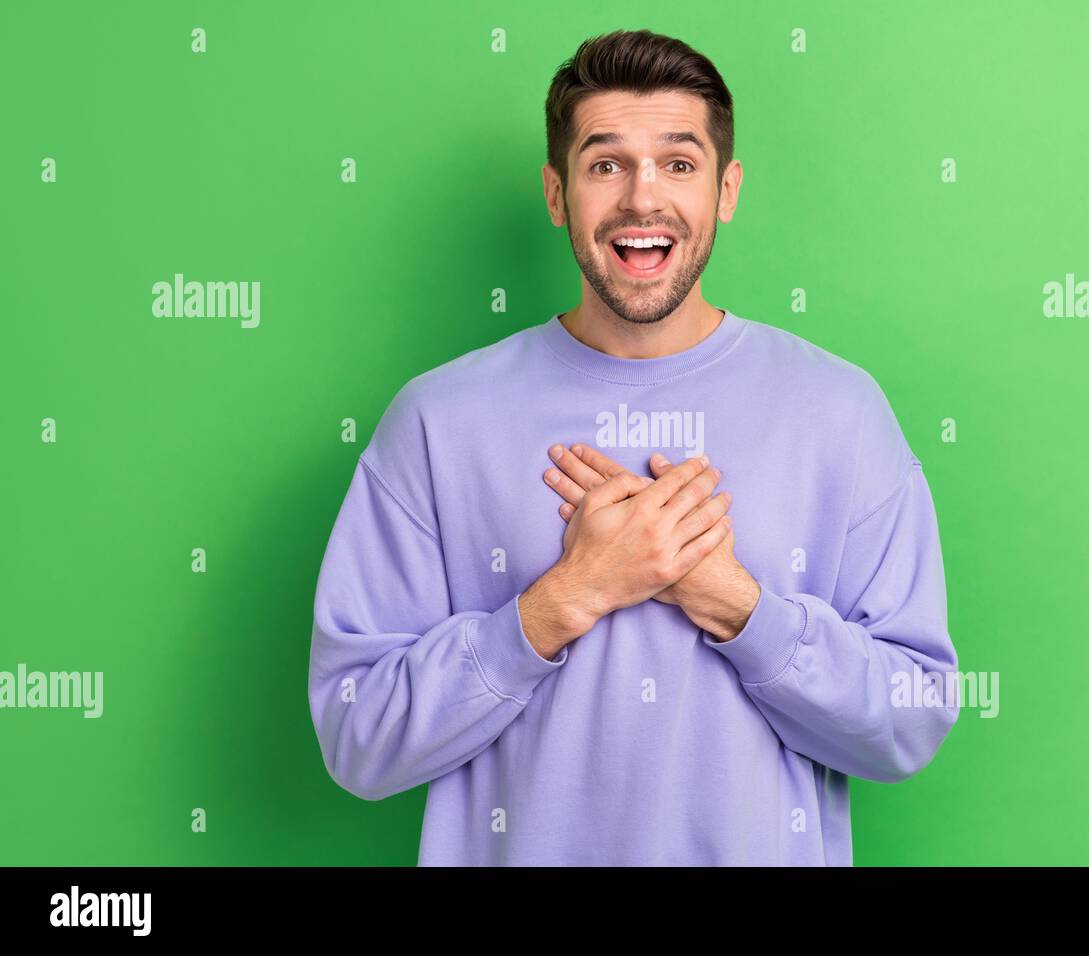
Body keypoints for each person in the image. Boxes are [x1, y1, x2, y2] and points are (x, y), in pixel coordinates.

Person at [307, 28, 959, 866]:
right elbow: (358, 738)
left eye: (679, 164)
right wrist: (567, 598)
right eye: (605, 163)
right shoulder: (438, 420)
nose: (642, 198)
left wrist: (735, 604)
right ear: (557, 192)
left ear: (727, 191)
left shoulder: (840, 410)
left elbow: (909, 724)